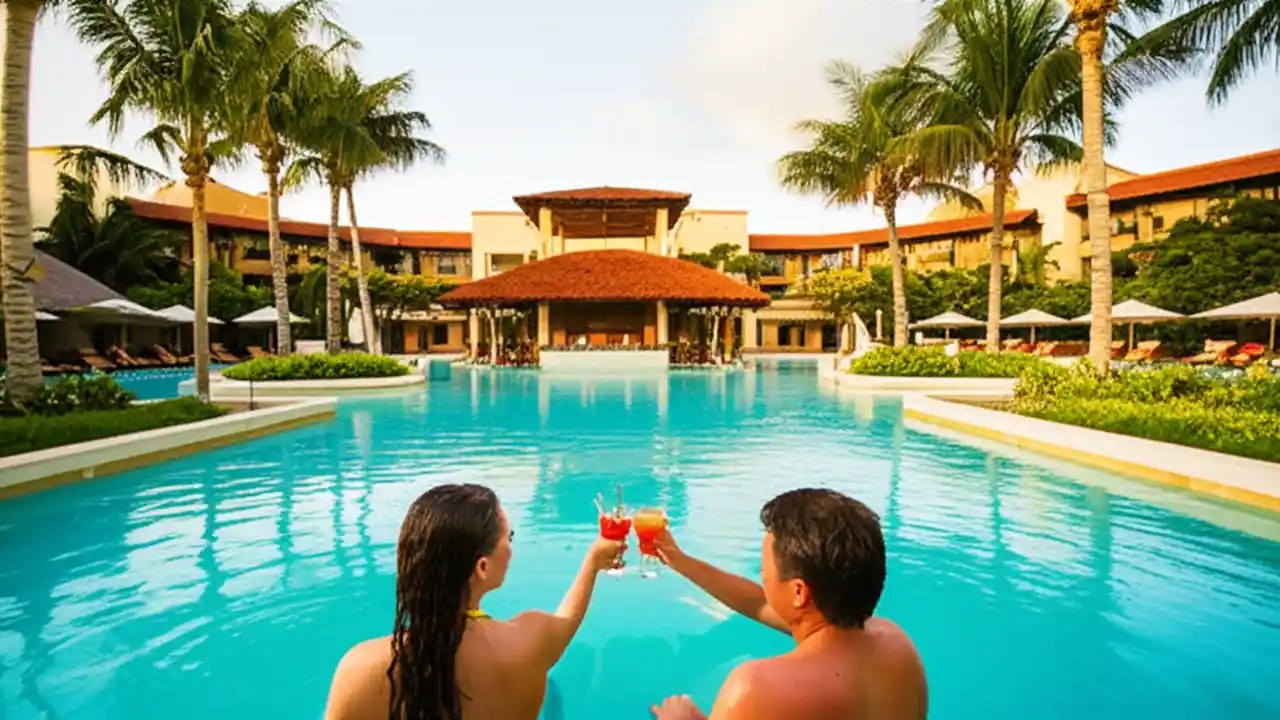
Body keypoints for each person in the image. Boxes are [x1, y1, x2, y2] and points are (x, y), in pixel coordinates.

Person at [323, 483, 624, 720]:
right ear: (482, 567)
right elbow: (567, 621)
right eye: (510, 538)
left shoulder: (362, 670)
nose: (511, 548)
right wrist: (593, 562)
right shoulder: (531, 641)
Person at [650, 488, 927, 720]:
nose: (764, 580)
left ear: (799, 592)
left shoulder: (756, 688)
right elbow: (757, 602)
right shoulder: (899, 648)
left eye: (764, 571)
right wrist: (681, 561)